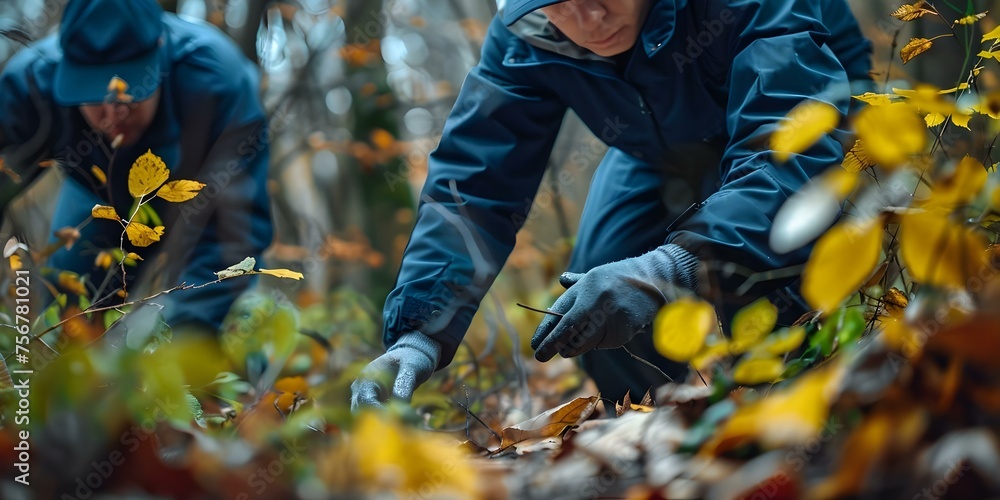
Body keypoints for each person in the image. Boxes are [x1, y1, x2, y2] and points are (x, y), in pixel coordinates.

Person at [351, 0, 873, 408]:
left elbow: (788, 144)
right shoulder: (526, 33)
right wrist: (418, 334)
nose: (589, 19)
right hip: (660, 150)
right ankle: (668, 429)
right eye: (560, 5)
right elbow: (474, 186)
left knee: (774, 246)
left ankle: (808, 404)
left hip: (816, 115)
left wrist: (671, 268)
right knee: (598, 293)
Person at [0, 0, 273, 332]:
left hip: (196, 201)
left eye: (129, 92)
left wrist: (188, 350)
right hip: (96, 199)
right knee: (68, 319)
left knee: (222, 330)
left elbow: (232, 238)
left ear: (159, 50)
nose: (112, 113)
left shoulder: (215, 80)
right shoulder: (28, 87)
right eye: (91, 93)